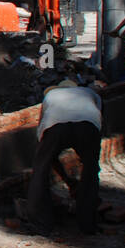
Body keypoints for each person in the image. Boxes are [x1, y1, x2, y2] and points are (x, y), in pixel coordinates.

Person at [26, 79, 105, 234]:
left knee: (40, 171)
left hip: (54, 126)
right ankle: (88, 224)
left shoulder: (50, 96)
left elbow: (44, 141)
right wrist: (70, 181)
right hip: (88, 126)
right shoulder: (90, 94)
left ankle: (40, 224)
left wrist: (65, 178)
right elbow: (99, 121)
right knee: (91, 171)